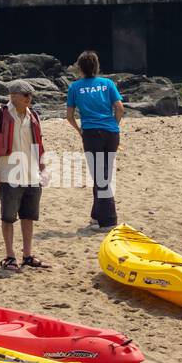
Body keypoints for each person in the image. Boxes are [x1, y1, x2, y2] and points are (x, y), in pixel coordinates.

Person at [0, 80, 49, 271]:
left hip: (32, 176)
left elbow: (39, 146)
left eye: (30, 95)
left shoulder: (33, 116)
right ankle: (10, 256)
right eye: (26, 95)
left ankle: (27, 255)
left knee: (29, 216)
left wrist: (43, 169)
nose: (30, 98)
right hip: (9, 175)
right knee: (8, 217)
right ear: (13, 96)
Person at [66, 51, 125, 230]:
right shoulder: (107, 83)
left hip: (91, 133)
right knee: (103, 175)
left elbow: (69, 116)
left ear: (80, 68)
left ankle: (109, 220)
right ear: (97, 66)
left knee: (101, 176)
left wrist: (80, 131)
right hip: (111, 133)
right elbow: (120, 108)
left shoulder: (74, 87)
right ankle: (96, 216)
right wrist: (113, 125)